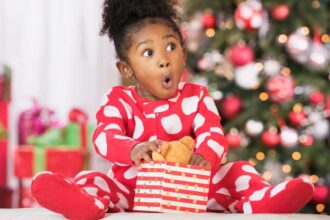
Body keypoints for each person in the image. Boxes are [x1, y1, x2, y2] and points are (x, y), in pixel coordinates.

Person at [31, 0, 314, 219]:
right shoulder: (119, 100)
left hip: (195, 190)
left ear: (183, 53)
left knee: (239, 171)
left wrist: (205, 156)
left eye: (170, 46)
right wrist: (132, 149)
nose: (164, 60)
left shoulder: (197, 97)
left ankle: (262, 200)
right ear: (126, 69)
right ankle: (85, 202)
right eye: (148, 53)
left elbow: (212, 132)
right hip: (134, 189)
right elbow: (104, 136)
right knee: (94, 179)